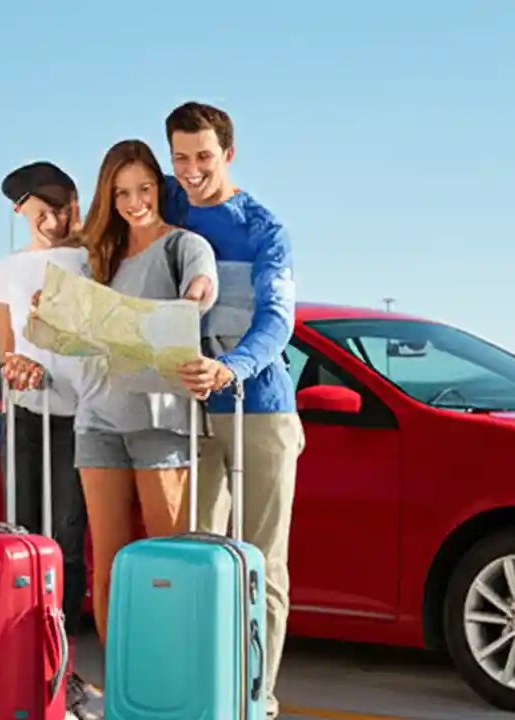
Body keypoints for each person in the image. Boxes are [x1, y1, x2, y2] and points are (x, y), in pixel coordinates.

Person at [33, 138, 218, 665]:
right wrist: (49, 316)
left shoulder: (183, 245)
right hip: (97, 418)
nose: (135, 202)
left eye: (144, 189)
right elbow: (75, 332)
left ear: (159, 187)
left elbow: (202, 288)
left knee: (168, 561)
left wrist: (195, 296)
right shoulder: (99, 259)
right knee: (108, 564)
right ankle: (125, 685)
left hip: (161, 419)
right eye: (122, 194)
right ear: (108, 198)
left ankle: (173, 679)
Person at [162, 101, 304, 720]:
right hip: (185, 411)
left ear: (229, 154)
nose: (192, 171)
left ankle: (256, 698)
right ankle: (200, 690)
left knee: (260, 561)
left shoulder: (264, 229)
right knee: (194, 556)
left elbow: (279, 321)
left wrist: (231, 367)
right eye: (181, 158)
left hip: (259, 409)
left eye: (204, 157)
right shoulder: (165, 204)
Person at [0, 161, 102, 718]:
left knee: (66, 541)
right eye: (44, 211)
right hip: (25, 418)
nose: (56, 221)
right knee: (23, 540)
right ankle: (23, 666)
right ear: (21, 211)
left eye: (64, 208)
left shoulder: (91, 260)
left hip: (78, 418)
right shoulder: (8, 269)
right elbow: (6, 349)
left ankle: (65, 665)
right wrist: (16, 369)